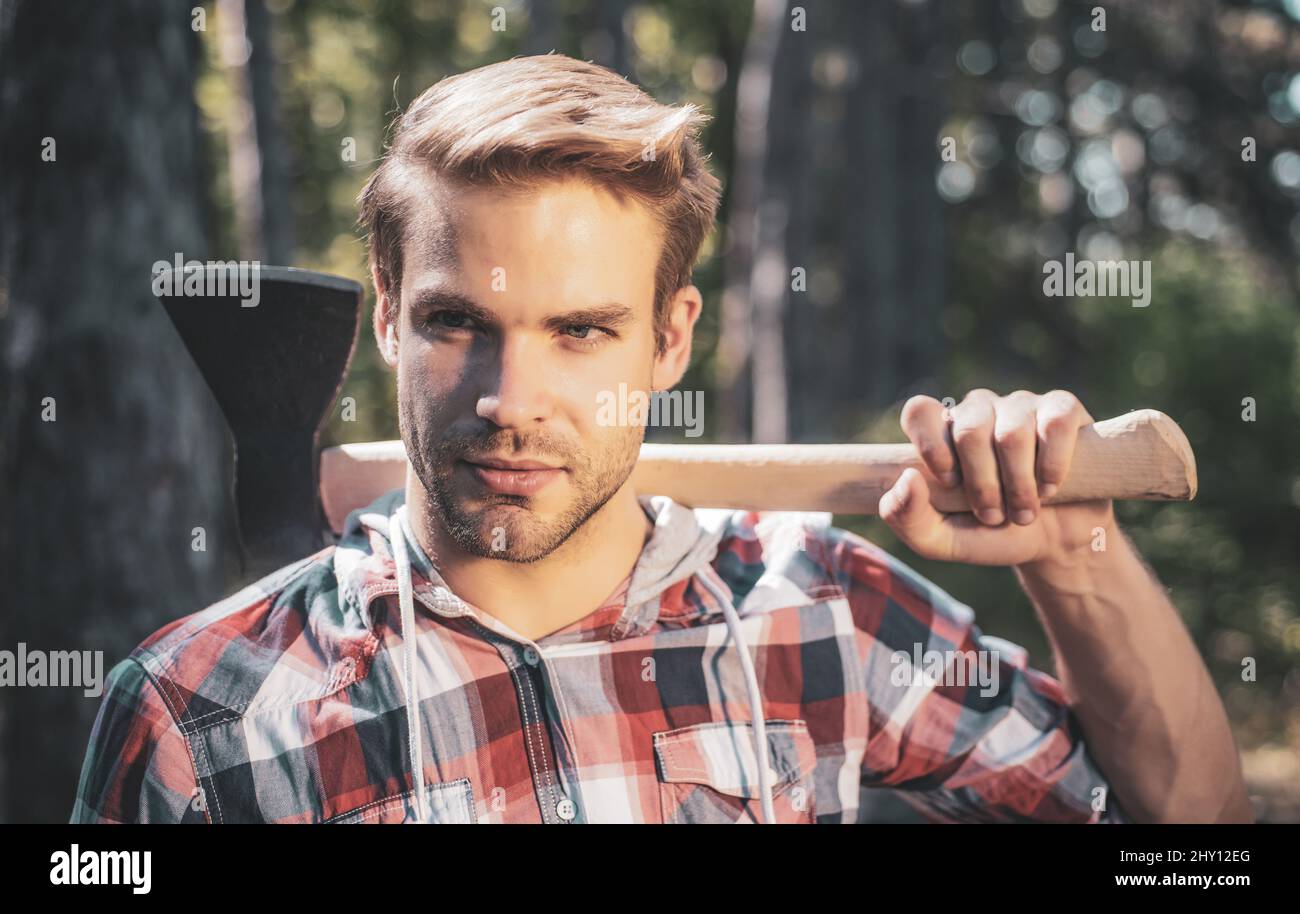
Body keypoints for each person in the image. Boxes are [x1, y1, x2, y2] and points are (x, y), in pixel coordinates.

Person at [71, 53, 1250, 824]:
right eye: (454, 323)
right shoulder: (194, 712)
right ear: (384, 313)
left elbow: (1189, 832)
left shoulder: (818, 612)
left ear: (671, 339)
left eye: (581, 329)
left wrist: (1071, 548)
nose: (508, 397)